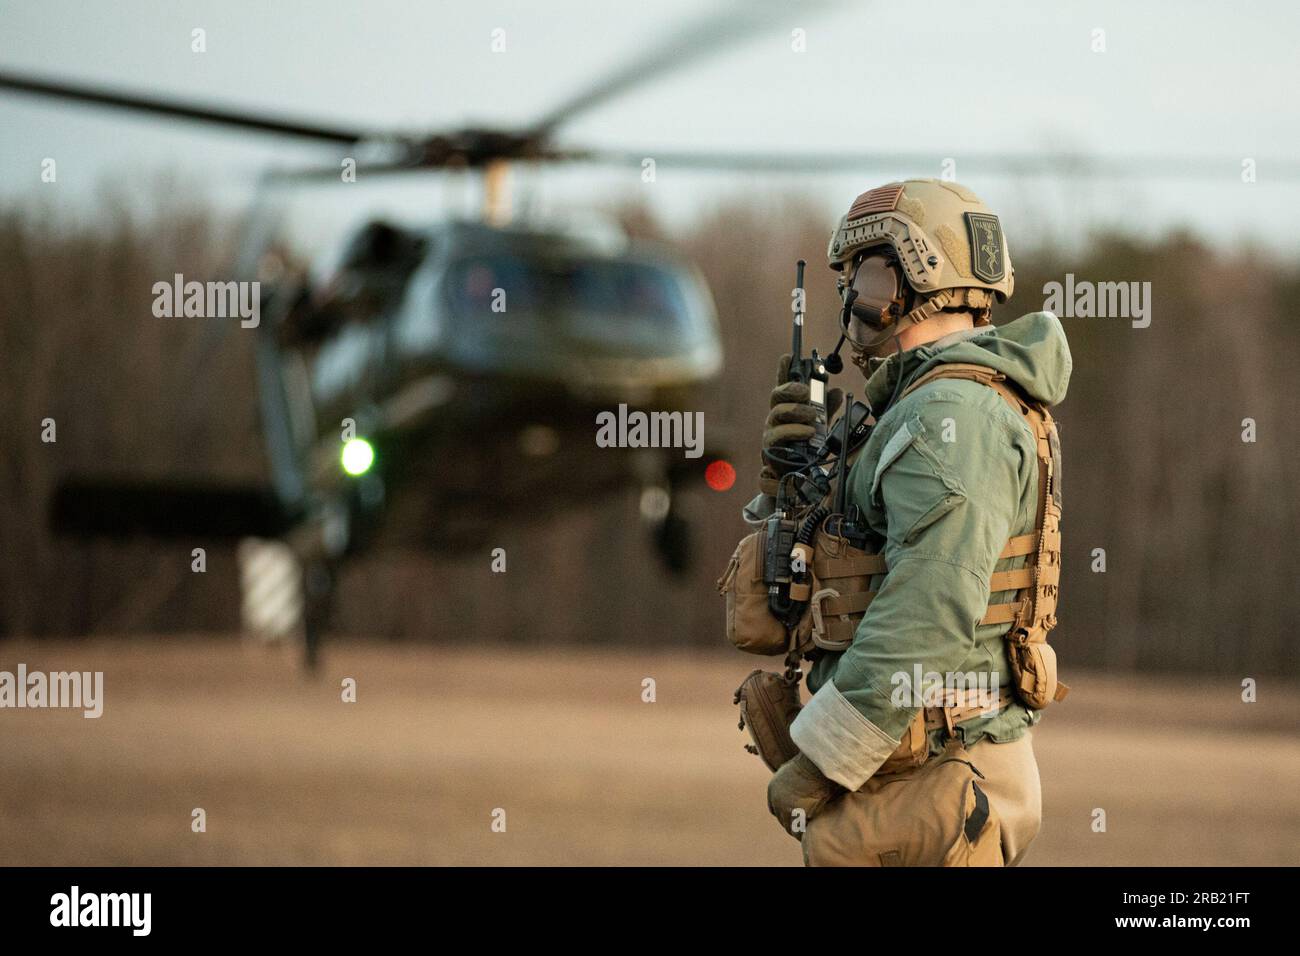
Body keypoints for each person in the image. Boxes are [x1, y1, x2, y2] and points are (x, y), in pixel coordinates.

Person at [750, 178, 1071, 866]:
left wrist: (821, 763)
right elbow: (817, 580)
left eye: (861, 274)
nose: (850, 300)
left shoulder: (948, 419)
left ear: (907, 276)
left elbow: (929, 610)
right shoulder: (924, 409)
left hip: (936, 783)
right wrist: (786, 479)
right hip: (909, 775)